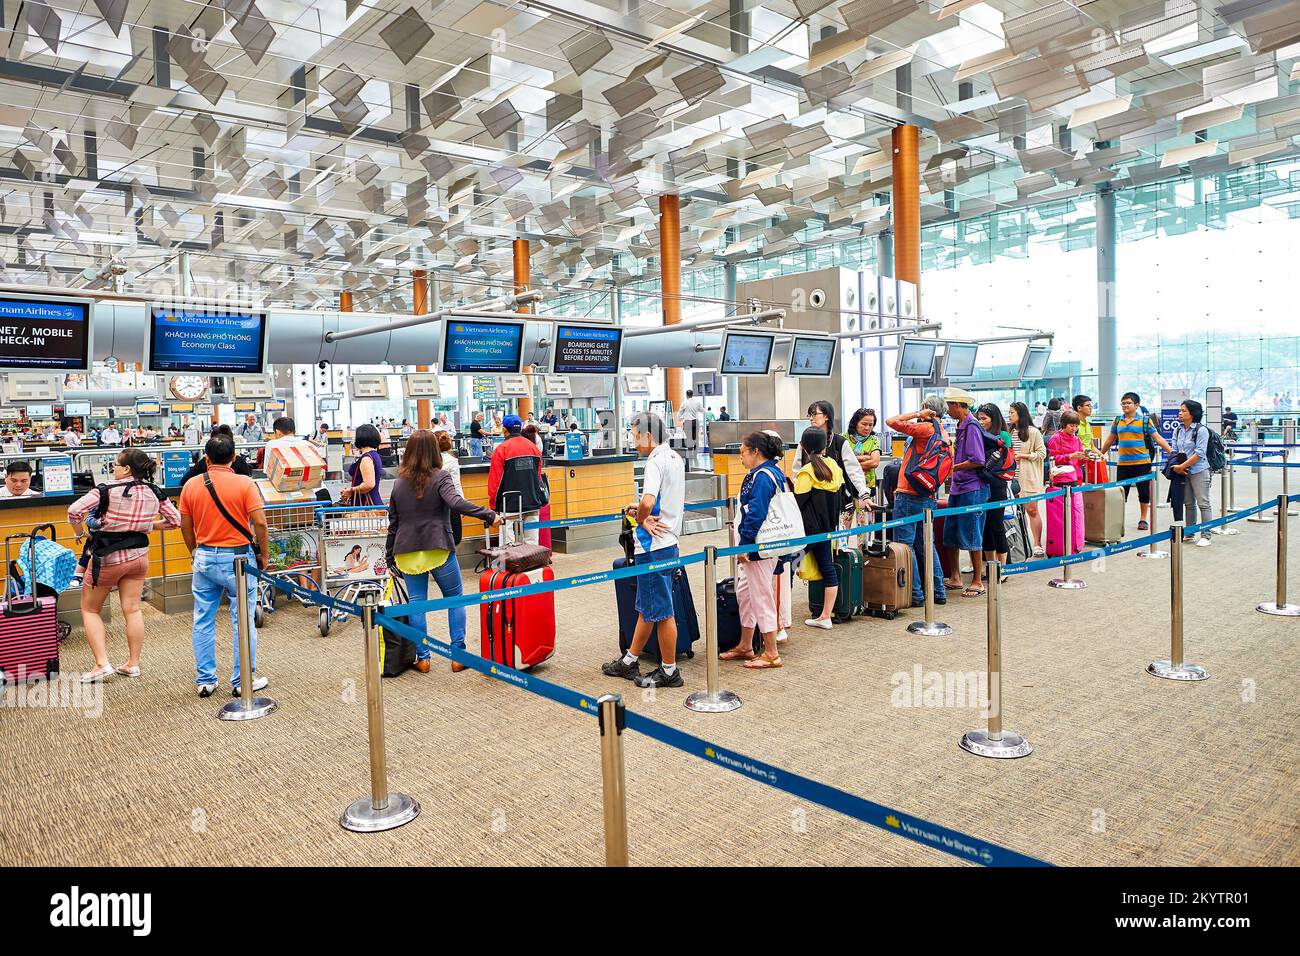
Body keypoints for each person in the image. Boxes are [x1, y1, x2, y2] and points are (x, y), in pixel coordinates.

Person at [387, 430, 501, 674]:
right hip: (437, 547)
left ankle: (424, 658)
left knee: (417, 604)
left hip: (407, 551)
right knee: (455, 598)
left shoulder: (398, 483)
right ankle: (457, 656)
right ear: (434, 451)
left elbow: (393, 524)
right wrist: (488, 513)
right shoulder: (441, 477)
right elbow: (457, 503)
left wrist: (389, 555)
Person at [67, 449, 181, 683]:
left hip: (108, 558)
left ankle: (102, 664)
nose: (113, 469)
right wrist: (145, 525)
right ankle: (133, 664)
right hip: (139, 557)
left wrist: (80, 532)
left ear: (126, 468)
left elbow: (74, 510)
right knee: (132, 609)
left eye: (115, 465)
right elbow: (175, 520)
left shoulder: (105, 489)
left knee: (90, 610)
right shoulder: (154, 491)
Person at [178, 433, 270, 698]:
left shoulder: (191, 486)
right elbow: (260, 524)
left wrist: (194, 550)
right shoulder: (245, 483)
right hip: (239, 559)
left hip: (205, 557)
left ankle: (205, 680)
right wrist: (264, 555)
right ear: (233, 458)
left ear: (206, 459)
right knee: (242, 620)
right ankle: (242, 681)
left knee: (203, 619)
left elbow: (186, 525)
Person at [601, 412, 686, 689]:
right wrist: (642, 510)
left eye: (636, 435)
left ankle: (670, 671)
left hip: (653, 547)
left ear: (649, 436)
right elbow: (660, 501)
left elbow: (649, 501)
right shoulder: (675, 458)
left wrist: (641, 518)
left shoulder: (655, 461)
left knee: (662, 611)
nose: (633, 440)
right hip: (669, 540)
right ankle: (629, 661)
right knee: (648, 608)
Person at [719, 431, 787, 669]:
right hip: (757, 547)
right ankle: (746, 644)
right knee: (745, 593)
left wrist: (745, 544)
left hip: (759, 547)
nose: (741, 458)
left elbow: (756, 513)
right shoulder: (766, 473)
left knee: (761, 595)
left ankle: (771, 652)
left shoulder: (763, 477)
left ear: (755, 451)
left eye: (743, 453)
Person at [885, 397, 949, 608]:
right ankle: (938, 591)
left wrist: (916, 415)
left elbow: (891, 421)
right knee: (927, 545)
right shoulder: (944, 434)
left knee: (905, 546)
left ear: (927, 410)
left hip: (909, 494)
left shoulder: (925, 428)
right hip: (928, 495)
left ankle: (915, 593)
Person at [1100, 392, 1173, 531]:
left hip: (1142, 463)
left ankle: (1143, 519)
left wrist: (1172, 453)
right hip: (1123, 464)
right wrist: (1101, 454)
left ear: (1136, 405)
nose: (1125, 405)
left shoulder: (1145, 421)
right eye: (1123, 403)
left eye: (1128, 403)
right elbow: (1110, 439)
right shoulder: (1117, 420)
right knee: (1121, 493)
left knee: (1144, 492)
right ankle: (1118, 521)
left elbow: (1158, 438)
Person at [794, 426, 844, 629]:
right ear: (826, 445)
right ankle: (825, 616)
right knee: (827, 568)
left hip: (807, 533)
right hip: (827, 529)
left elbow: (799, 502)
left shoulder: (807, 472)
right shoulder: (834, 467)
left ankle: (779, 621)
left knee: (785, 565)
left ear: (803, 446)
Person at [943, 386, 989, 596]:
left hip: (973, 488)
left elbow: (977, 460)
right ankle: (955, 577)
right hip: (958, 487)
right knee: (950, 532)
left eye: (949, 405)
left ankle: (978, 581)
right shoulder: (961, 425)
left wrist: (954, 467)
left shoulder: (971, 426)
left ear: (956, 405)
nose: (947, 410)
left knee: (972, 533)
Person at [796, 401, 869, 520]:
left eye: (814, 414)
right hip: (811, 503)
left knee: (840, 537)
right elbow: (797, 471)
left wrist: (864, 493)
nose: (811, 418)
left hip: (839, 499)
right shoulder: (804, 443)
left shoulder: (839, 442)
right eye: (809, 415)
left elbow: (854, 470)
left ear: (827, 416)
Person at [487, 414, 545, 543]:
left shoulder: (502, 449)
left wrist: (494, 505)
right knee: (532, 542)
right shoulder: (533, 448)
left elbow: (495, 482)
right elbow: (538, 476)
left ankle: (510, 563)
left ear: (504, 429)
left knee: (508, 543)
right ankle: (532, 563)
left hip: (509, 503)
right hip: (532, 501)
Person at [1168, 399, 1214, 548]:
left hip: (1199, 470)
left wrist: (1182, 466)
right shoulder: (1178, 430)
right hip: (1183, 471)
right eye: (1180, 411)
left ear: (1193, 413)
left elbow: (1200, 453)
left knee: (1203, 503)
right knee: (1188, 503)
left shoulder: (1201, 430)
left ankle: (1206, 535)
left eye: (1183, 411)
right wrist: (1177, 465)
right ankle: (1190, 532)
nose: (1180, 413)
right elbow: (1174, 449)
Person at [1045, 409, 1087, 557]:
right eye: (1071, 426)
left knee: (1075, 514)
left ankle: (1074, 543)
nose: (1074, 429)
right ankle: (1061, 544)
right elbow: (1053, 459)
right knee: (1061, 515)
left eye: (1076, 426)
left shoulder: (1077, 439)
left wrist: (1084, 458)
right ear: (1063, 424)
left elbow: (1080, 460)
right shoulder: (1056, 438)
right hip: (1061, 481)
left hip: (1076, 479)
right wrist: (1070, 456)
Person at [1009, 401, 1047, 555]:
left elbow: (1042, 453)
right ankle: (1019, 546)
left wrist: (1023, 456)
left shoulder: (1033, 432)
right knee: (1014, 513)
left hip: (1028, 477)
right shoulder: (1009, 431)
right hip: (1011, 478)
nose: (1010, 415)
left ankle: (1037, 544)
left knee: (1032, 510)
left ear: (1021, 414)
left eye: (1012, 412)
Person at [976, 403, 1011, 569]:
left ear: (994, 419)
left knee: (997, 526)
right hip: (981, 485)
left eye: (984, 418)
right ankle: (990, 566)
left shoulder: (1003, 435)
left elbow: (1007, 461)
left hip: (997, 486)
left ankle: (1002, 567)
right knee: (985, 527)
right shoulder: (978, 434)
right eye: (979, 418)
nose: (981, 421)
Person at [844, 408, 882, 528]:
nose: (867, 428)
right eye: (864, 424)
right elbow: (841, 463)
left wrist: (852, 464)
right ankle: (842, 548)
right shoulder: (843, 439)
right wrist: (865, 457)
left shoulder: (874, 440)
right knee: (844, 524)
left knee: (865, 526)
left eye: (871, 425)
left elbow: (875, 462)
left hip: (867, 487)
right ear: (855, 423)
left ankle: (864, 547)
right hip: (847, 488)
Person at [181, 425, 253, 484]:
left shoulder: (203, 463)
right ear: (233, 456)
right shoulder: (240, 462)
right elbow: (247, 482)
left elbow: (184, 481)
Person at [340, 423, 383, 505]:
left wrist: (351, 490)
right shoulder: (374, 455)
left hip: (366, 505)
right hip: (372, 501)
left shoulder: (366, 458)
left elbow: (369, 484)